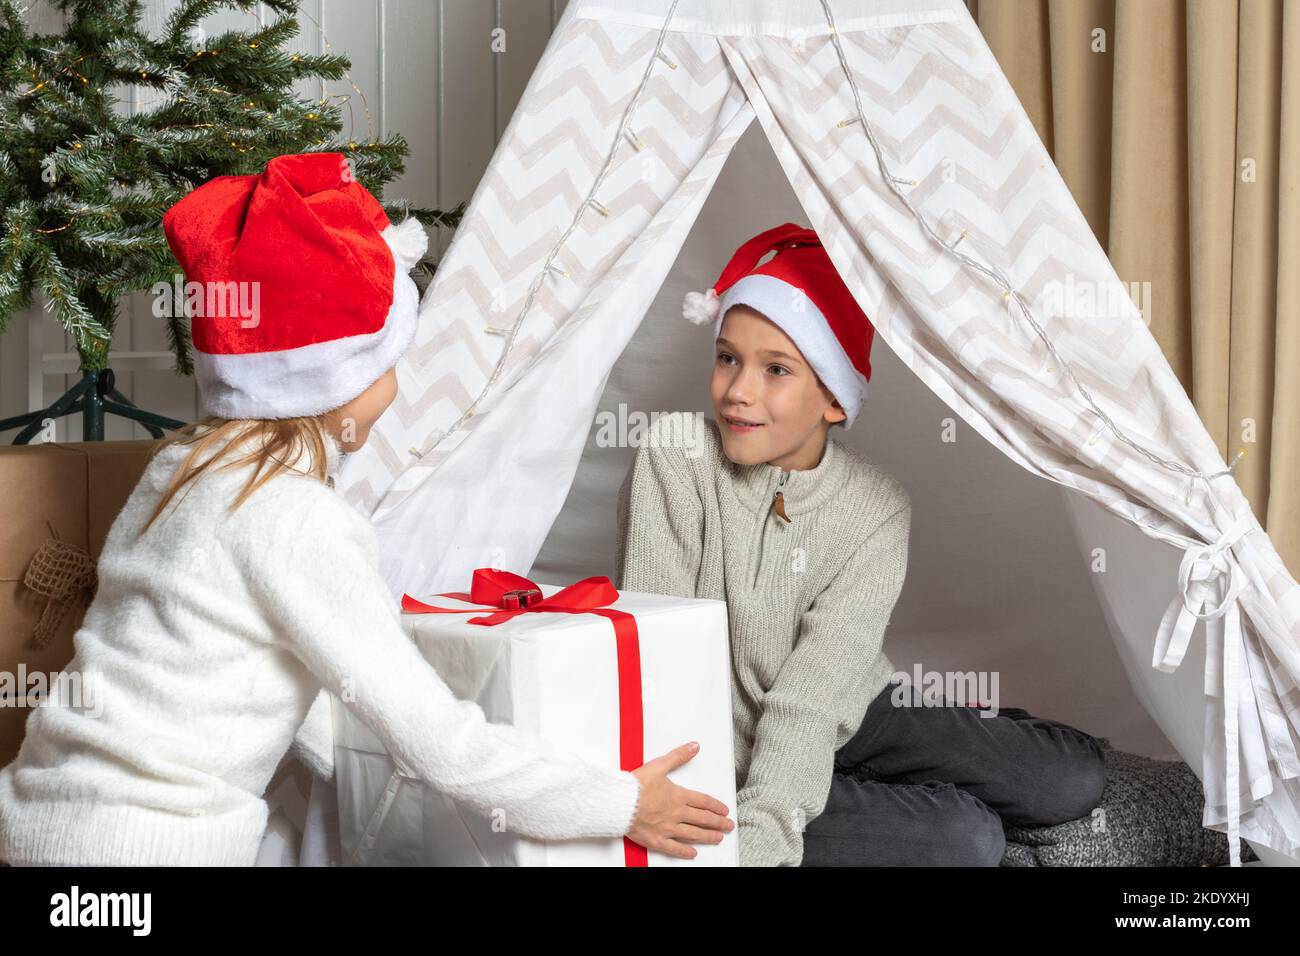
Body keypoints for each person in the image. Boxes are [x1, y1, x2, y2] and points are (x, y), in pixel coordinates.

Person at [0, 152, 732, 867]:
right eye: (388, 362)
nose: (397, 384)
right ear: (340, 378)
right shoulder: (298, 519)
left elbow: (252, 679)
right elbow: (440, 739)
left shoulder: (180, 467)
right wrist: (618, 803)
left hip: (33, 819)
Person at [615, 222, 1105, 866]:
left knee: (1070, 781)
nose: (738, 390)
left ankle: (960, 739)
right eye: (728, 356)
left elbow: (812, 700)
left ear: (834, 401)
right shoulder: (674, 455)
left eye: (777, 369)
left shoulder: (874, 506)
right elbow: (663, 664)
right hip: (723, 754)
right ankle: (836, 791)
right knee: (969, 840)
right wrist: (752, 842)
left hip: (846, 707)